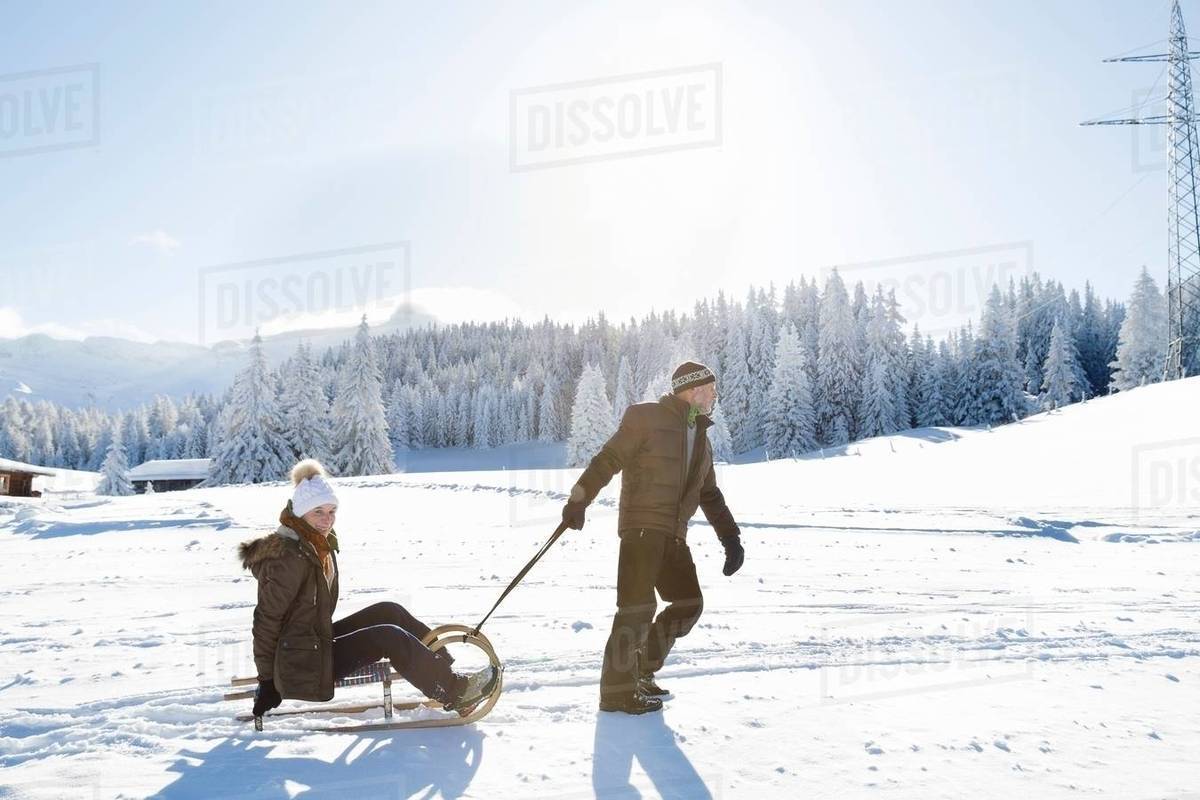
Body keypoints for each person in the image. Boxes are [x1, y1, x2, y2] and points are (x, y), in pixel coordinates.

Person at [238, 458, 498, 721]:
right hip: (301, 663)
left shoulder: (315, 544)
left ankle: (439, 668)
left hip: (314, 641)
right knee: (388, 636)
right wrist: (268, 681)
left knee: (389, 612)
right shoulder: (288, 558)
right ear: (300, 514)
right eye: (318, 512)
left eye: (331, 512)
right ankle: (455, 691)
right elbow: (265, 622)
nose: (327, 520)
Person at [562, 361, 744, 714]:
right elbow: (610, 458)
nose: (714, 395)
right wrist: (579, 498)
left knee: (688, 604)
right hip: (642, 529)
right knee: (636, 610)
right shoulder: (646, 418)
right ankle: (616, 692)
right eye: (710, 389)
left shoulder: (702, 441)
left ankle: (641, 670)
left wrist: (731, 539)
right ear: (692, 390)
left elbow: (710, 496)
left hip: (674, 535)